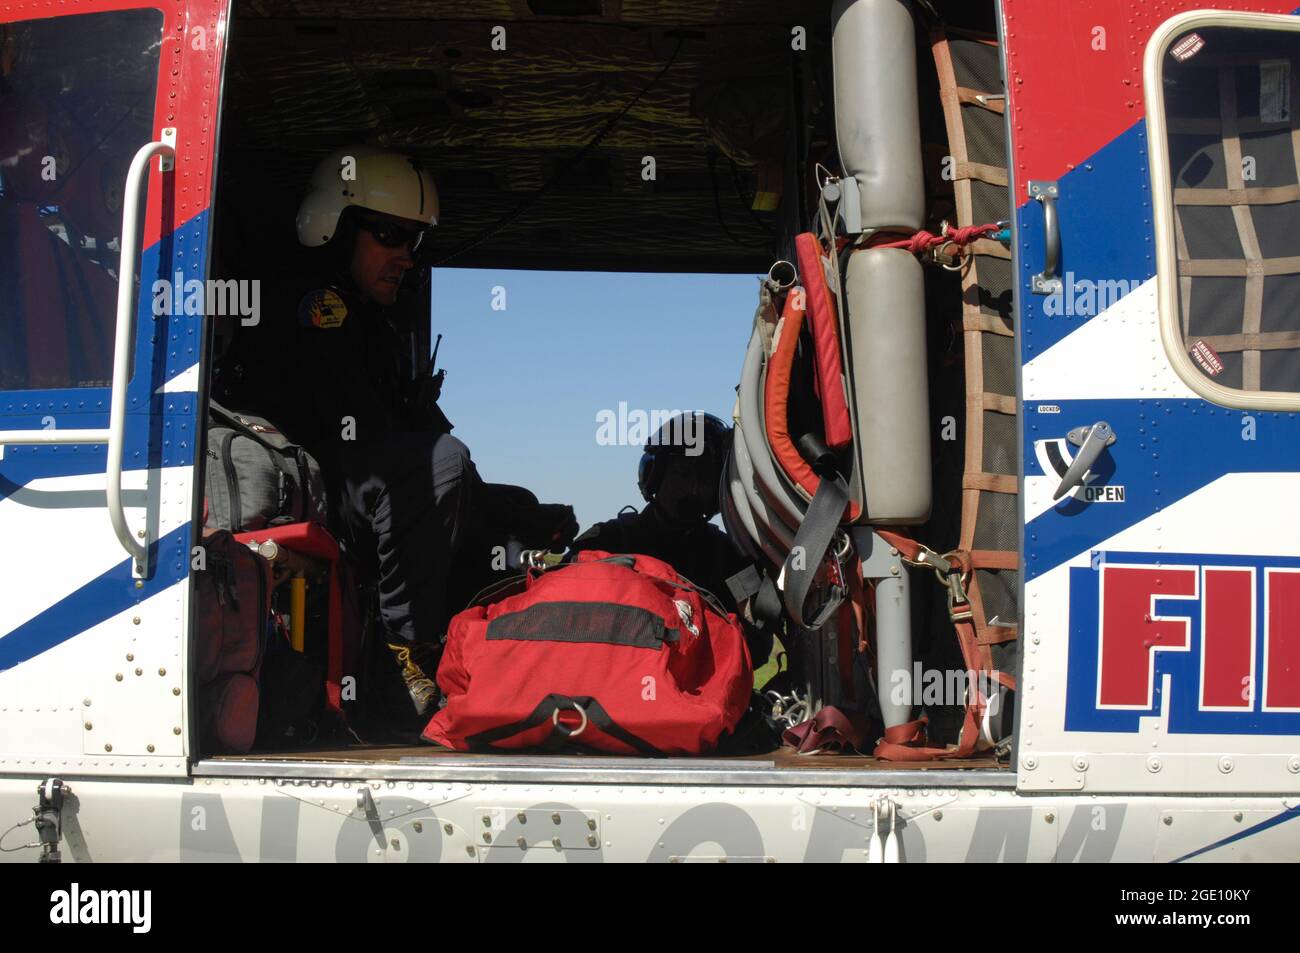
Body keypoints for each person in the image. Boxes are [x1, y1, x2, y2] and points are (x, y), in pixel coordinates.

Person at [291, 146, 577, 717]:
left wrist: (522, 512)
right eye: (390, 234)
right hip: (334, 500)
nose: (405, 256)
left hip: (380, 508)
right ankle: (402, 651)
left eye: (414, 241)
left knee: (514, 518)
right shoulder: (320, 315)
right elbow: (387, 452)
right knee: (448, 464)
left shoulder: (376, 328)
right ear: (335, 227)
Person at [568, 412, 771, 662]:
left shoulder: (731, 556)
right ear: (654, 473)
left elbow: (758, 643)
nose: (693, 488)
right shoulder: (606, 542)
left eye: (704, 478)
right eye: (683, 473)